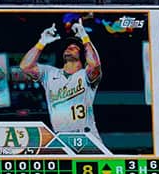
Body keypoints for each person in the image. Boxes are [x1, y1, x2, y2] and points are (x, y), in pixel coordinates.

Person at [19, 18, 109, 154]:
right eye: (67, 47)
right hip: (61, 139)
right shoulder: (50, 73)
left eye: (74, 47)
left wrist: (85, 38)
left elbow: (95, 65)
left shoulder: (85, 75)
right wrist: (41, 43)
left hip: (87, 137)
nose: (69, 48)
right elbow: (25, 66)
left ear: (82, 55)